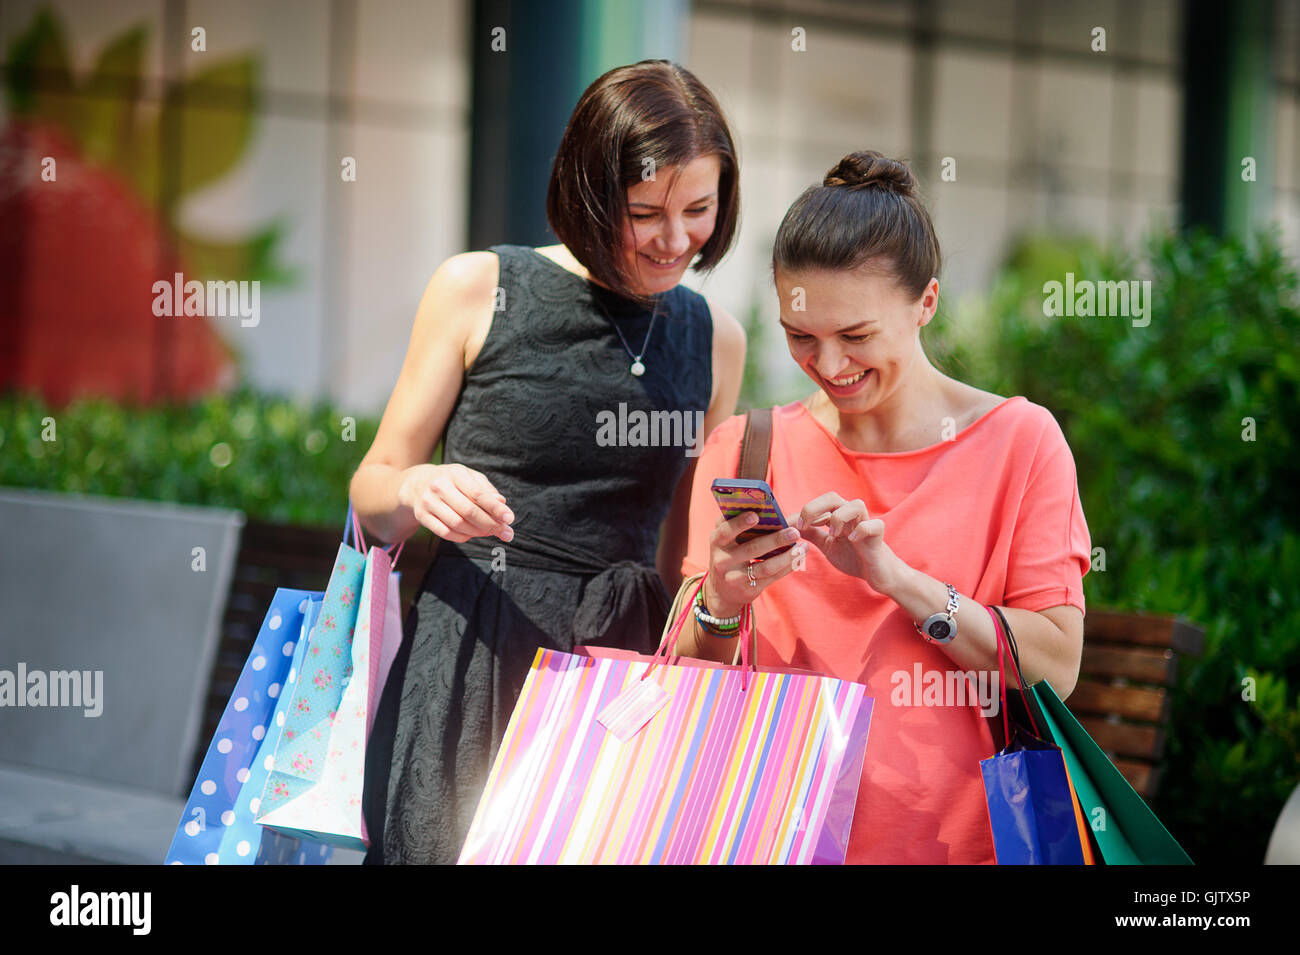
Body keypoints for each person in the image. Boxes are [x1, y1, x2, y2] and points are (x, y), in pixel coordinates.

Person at [349, 60, 746, 864]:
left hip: (620, 673)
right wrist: (418, 486)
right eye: (645, 213)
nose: (676, 240)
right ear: (592, 194)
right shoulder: (477, 287)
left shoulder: (716, 338)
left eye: (699, 211)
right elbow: (372, 488)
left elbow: (680, 552)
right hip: (473, 649)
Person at [677, 150, 1091, 864]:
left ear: (926, 303)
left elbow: (1055, 663)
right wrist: (719, 597)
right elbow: (688, 668)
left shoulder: (1022, 442)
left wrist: (898, 579)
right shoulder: (744, 449)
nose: (830, 364)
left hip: (969, 844)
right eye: (801, 335)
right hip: (775, 835)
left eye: (857, 336)